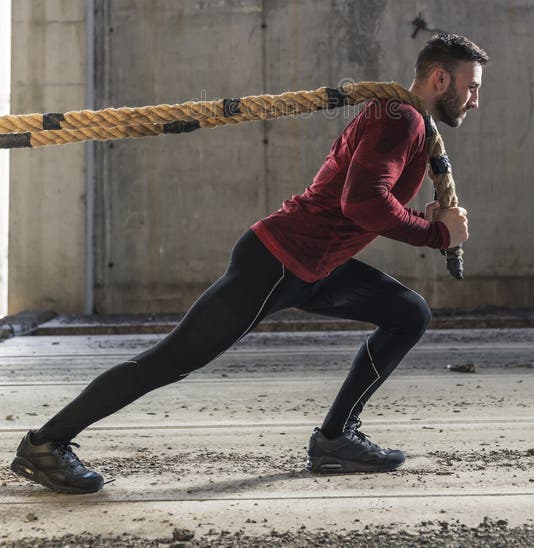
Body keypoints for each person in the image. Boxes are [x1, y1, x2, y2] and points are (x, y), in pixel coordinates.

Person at [10, 32, 487, 494]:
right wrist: (434, 233)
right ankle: (46, 445)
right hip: (277, 261)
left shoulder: (404, 118)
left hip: (317, 266)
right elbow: (362, 202)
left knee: (408, 313)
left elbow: (364, 201)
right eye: (472, 87)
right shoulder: (399, 117)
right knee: (170, 361)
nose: (475, 100)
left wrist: (425, 223)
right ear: (441, 81)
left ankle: (336, 439)